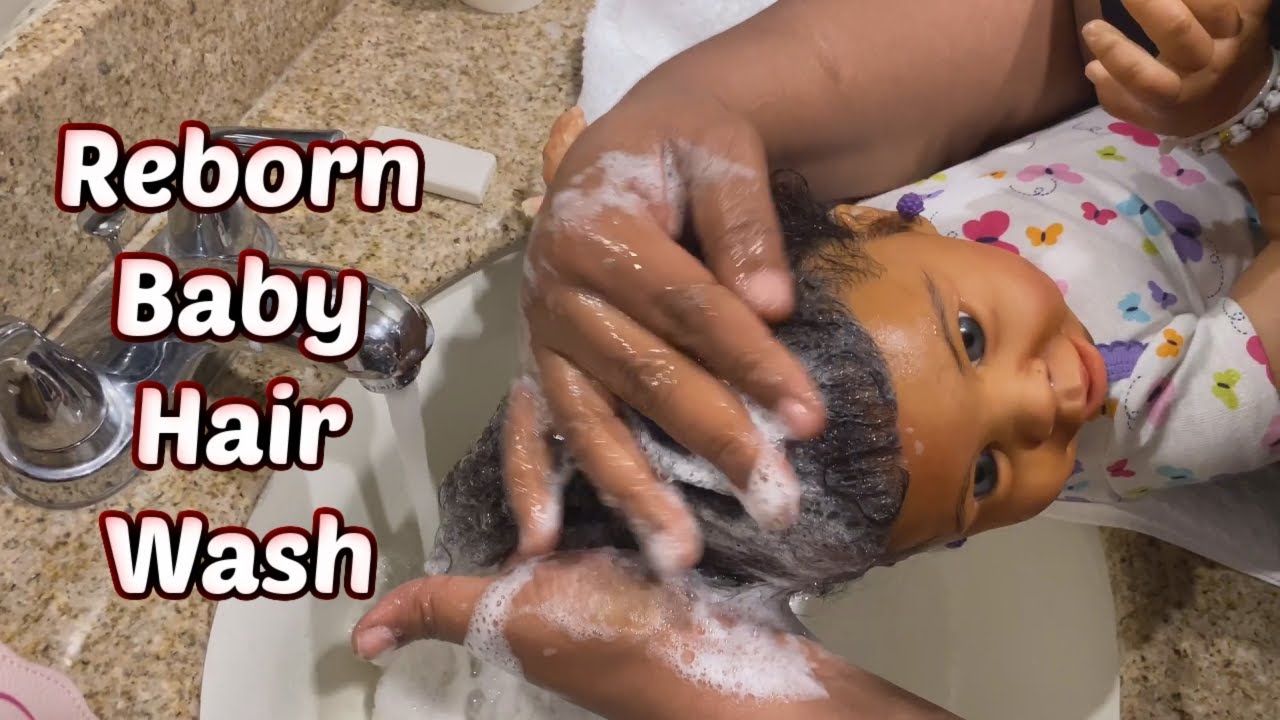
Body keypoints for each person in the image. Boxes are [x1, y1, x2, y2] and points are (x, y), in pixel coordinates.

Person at [351, 1, 1280, 718]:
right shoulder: (1167, 413)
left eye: (968, 338)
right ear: (942, 542)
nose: (1041, 401)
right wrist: (1241, 114)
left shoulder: (881, 254)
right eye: (986, 475)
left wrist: (599, 170)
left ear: (873, 217)